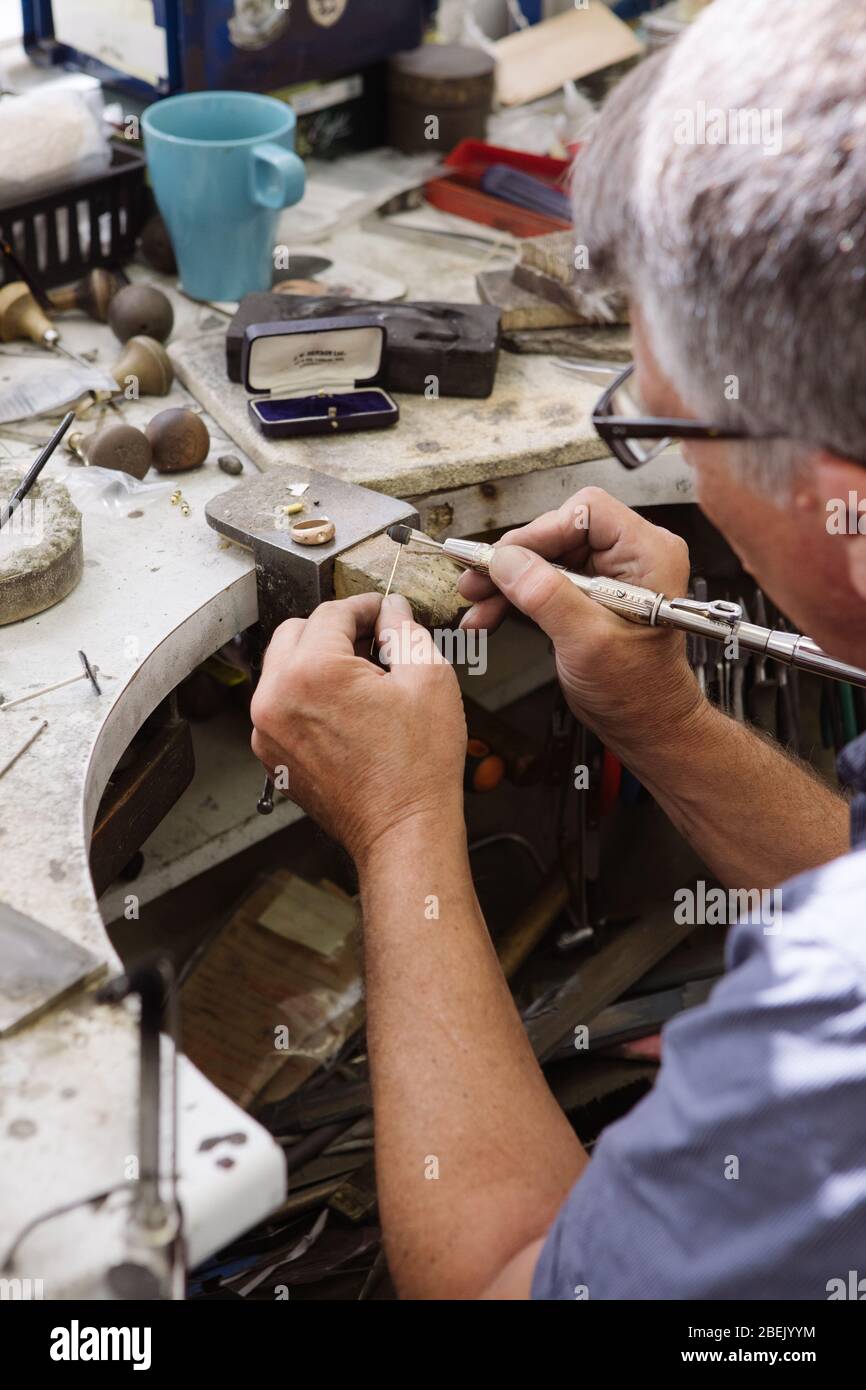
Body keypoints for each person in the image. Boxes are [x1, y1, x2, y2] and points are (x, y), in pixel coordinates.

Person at [251, 0, 866, 1298]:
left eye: (660, 422)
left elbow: (495, 1285)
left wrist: (402, 826)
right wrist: (664, 721)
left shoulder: (827, 1050)